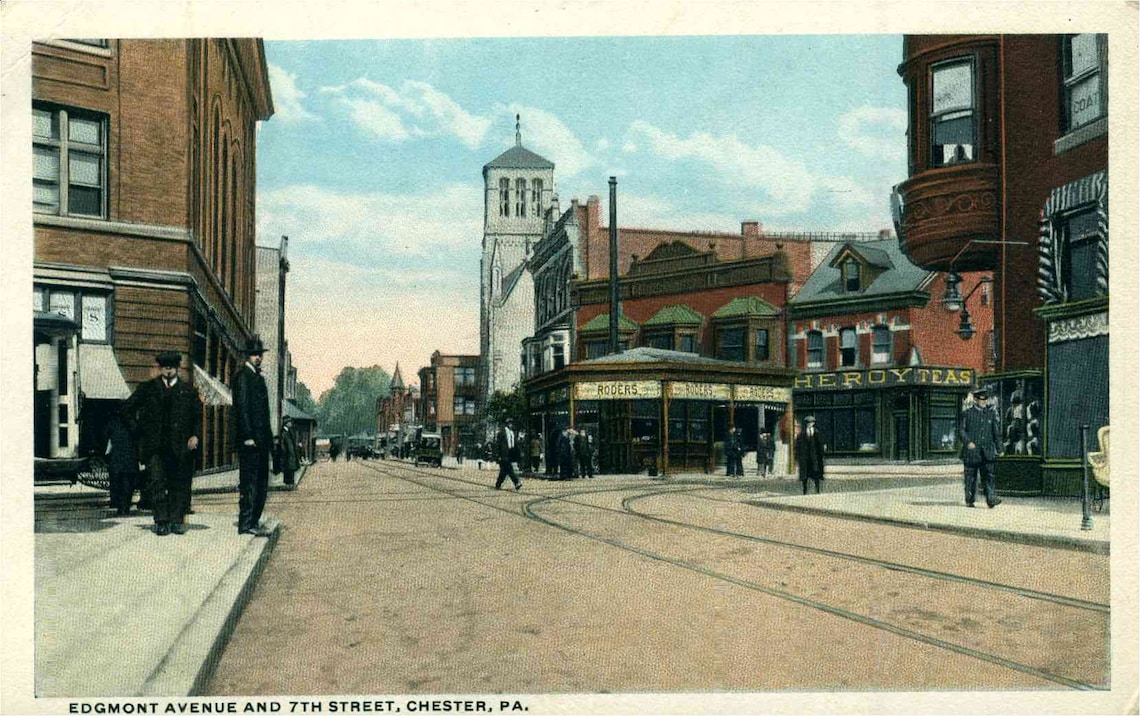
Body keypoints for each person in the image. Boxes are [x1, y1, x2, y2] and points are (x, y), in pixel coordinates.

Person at [120, 351, 202, 535]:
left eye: (172, 366)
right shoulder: (148, 388)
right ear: (160, 368)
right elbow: (126, 409)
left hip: (180, 446)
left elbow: (197, 417)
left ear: (178, 368)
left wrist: (195, 436)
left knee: (178, 483)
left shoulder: (188, 391)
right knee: (156, 483)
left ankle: (177, 520)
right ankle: (161, 521)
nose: (168, 369)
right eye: (165, 366)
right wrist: (139, 431)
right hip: (155, 447)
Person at [231, 336, 274, 536]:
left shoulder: (258, 378)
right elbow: (241, 409)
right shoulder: (243, 377)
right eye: (254, 355)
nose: (258, 358)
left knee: (261, 483)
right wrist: (247, 435)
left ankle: (254, 521)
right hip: (249, 441)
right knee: (249, 483)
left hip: (262, 441)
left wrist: (269, 440)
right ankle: (246, 523)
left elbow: (265, 414)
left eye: (260, 355)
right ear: (247, 356)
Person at [960, 387, 1003, 509]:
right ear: (975, 400)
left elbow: (996, 433)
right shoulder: (967, 414)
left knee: (989, 476)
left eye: (985, 399)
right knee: (971, 477)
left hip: (987, 451)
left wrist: (1000, 448)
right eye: (981, 399)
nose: (983, 402)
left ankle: (991, 499)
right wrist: (968, 442)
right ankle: (969, 499)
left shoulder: (990, 414)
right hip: (972, 452)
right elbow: (961, 430)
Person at [105, 411, 140, 516]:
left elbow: (107, 435)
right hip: (129, 455)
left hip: (117, 455)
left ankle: (119, 505)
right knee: (127, 482)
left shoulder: (113, 421)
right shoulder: (133, 422)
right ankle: (124, 506)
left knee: (118, 481)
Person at [795, 416, 826, 494]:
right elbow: (798, 446)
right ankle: (805, 490)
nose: (809, 424)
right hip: (805, 458)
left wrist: (821, 455)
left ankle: (817, 489)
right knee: (805, 475)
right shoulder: (801, 434)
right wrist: (798, 457)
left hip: (815, 458)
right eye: (808, 423)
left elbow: (820, 445)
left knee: (816, 473)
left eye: (811, 422)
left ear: (813, 423)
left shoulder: (817, 432)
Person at [494, 419, 522, 490]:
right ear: (506, 424)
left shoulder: (512, 433)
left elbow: (514, 443)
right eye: (509, 423)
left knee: (504, 471)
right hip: (504, 454)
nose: (511, 425)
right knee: (509, 468)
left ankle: (498, 484)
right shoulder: (501, 433)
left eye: (511, 423)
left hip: (511, 453)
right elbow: (498, 445)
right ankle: (516, 482)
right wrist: (498, 455)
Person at [277, 416, 301, 488]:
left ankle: (291, 483)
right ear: (286, 423)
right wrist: (285, 453)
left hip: (291, 453)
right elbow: (282, 444)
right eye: (289, 422)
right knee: (288, 469)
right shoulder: (283, 432)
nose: (291, 423)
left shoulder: (289, 431)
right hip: (287, 454)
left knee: (291, 468)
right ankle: (288, 484)